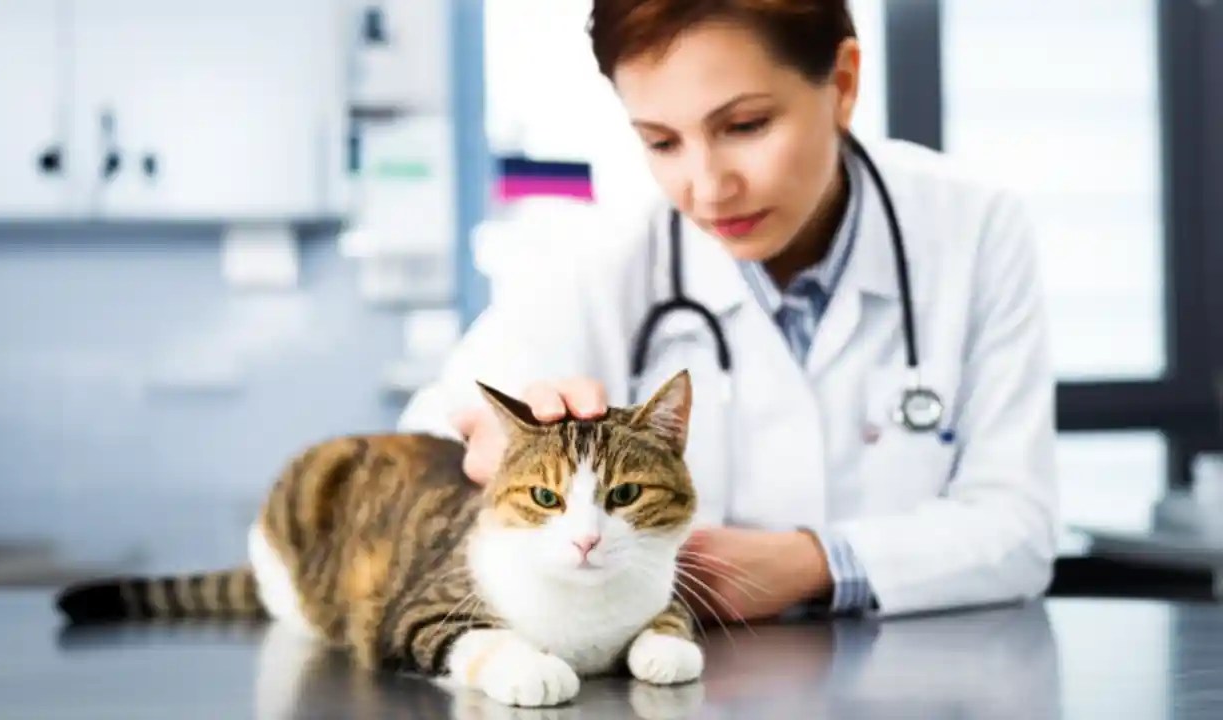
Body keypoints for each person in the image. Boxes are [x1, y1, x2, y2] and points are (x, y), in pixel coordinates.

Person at [398, 0, 1058, 620]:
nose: (709, 188)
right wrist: (484, 444)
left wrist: (819, 562)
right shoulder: (605, 259)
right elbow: (425, 434)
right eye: (661, 142)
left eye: (745, 126)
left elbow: (1019, 528)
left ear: (844, 83)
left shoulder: (973, 227)